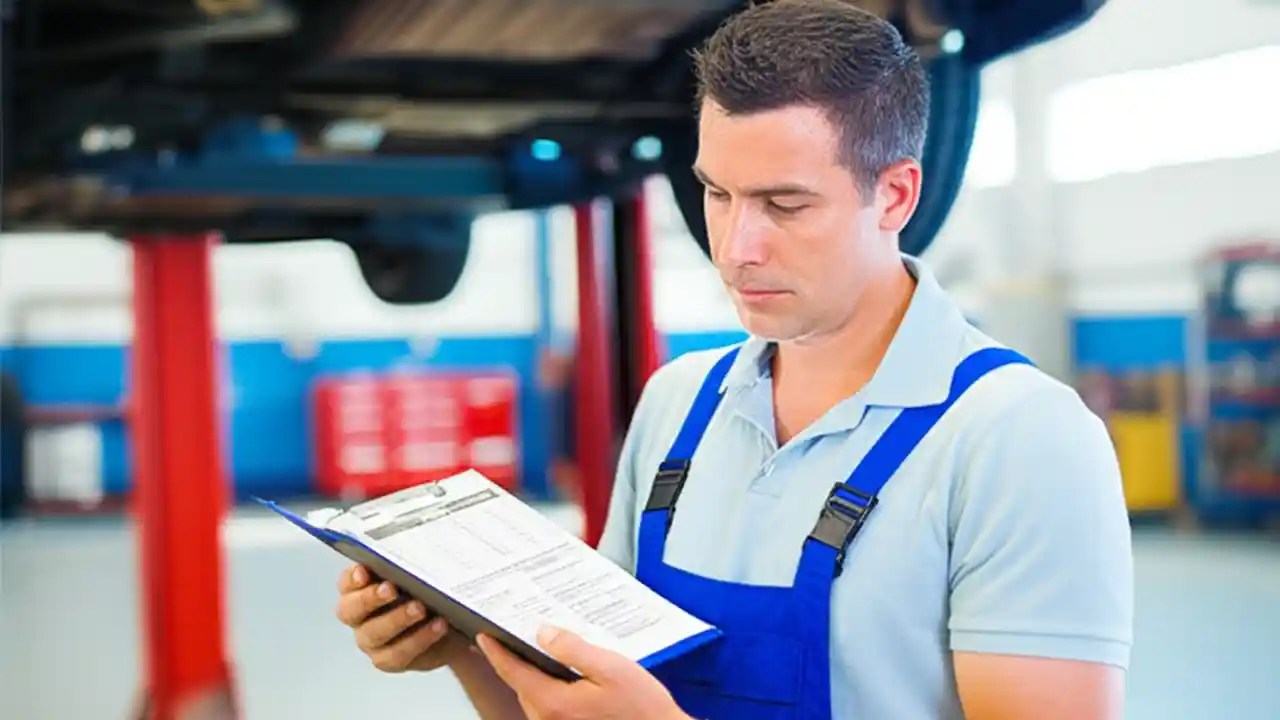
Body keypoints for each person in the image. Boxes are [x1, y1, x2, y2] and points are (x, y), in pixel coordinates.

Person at [333, 1, 1134, 718]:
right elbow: (581, 698)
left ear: (894, 195)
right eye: (718, 194)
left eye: (784, 204)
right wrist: (465, 645)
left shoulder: (1019, 438)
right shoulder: (679, 403)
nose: (737, 248)